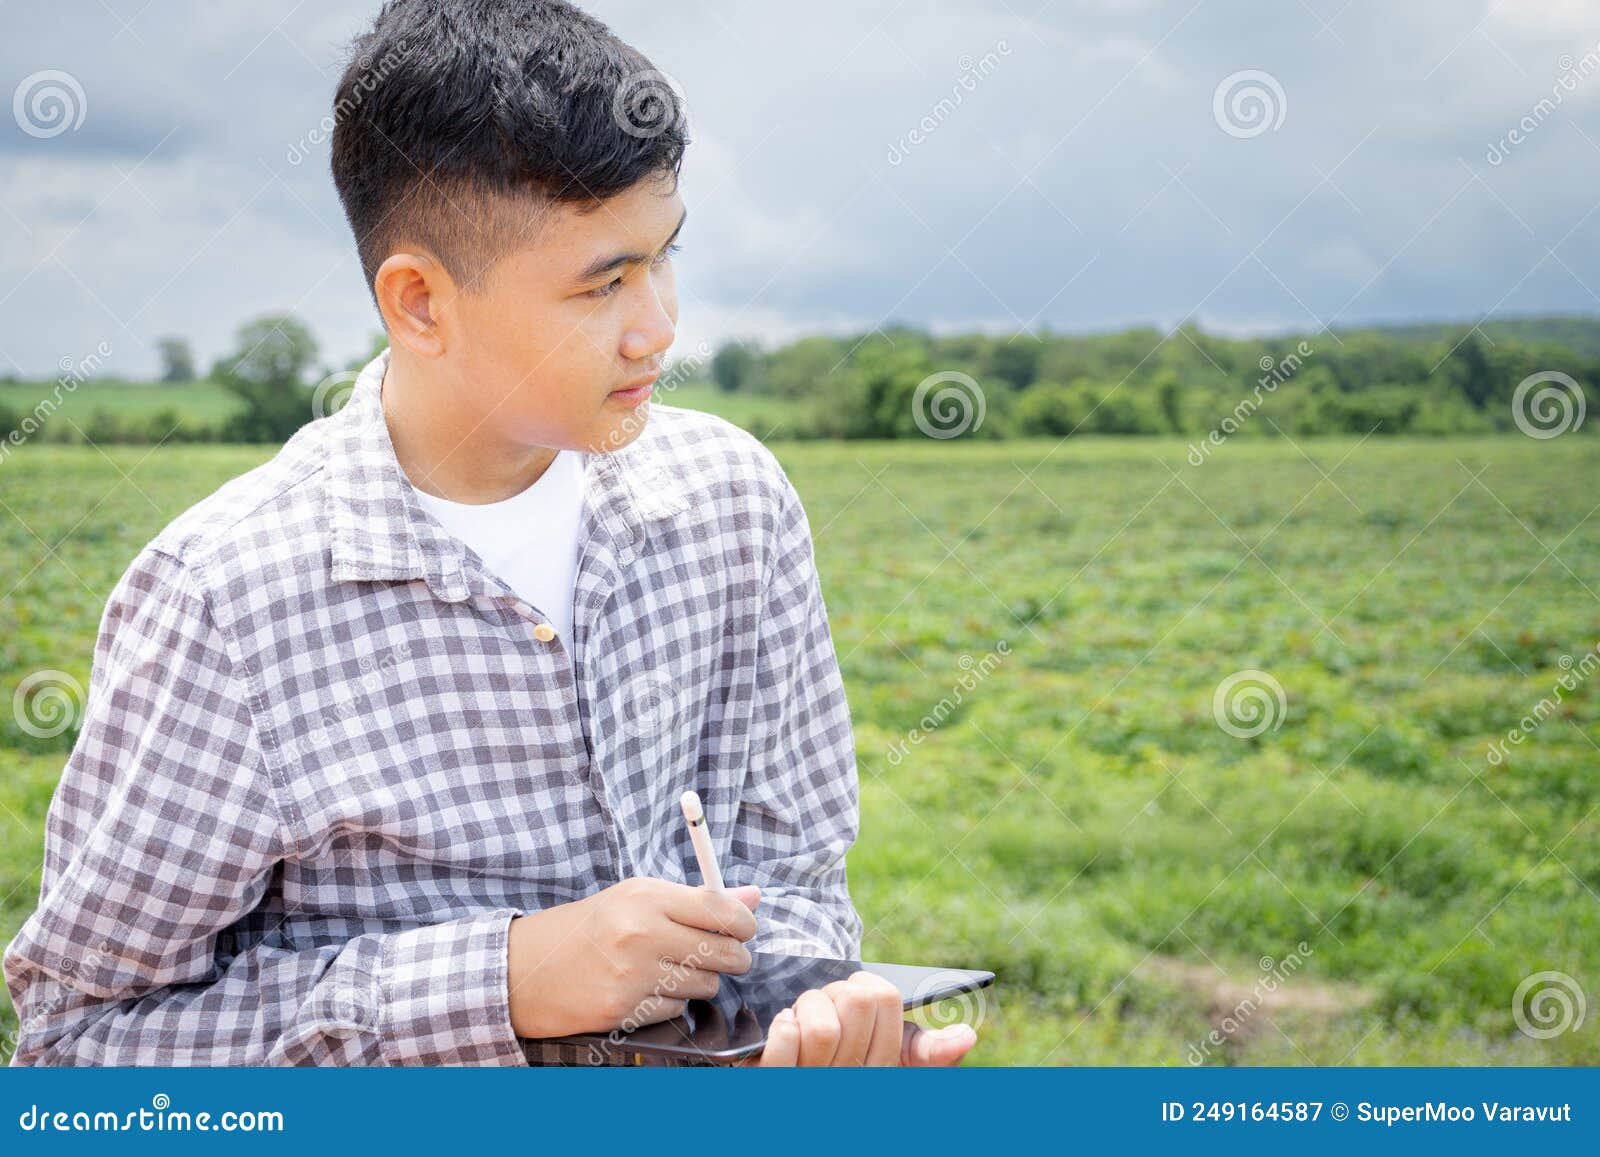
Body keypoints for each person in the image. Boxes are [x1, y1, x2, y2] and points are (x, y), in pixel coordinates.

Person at [2, 0, 977, 1068]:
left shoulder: (733, 504)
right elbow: (78, 1040)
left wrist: (803, 1025)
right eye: (603, 281)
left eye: (664, 257)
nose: (659, 324)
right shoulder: (227, 600)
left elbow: (796, 880)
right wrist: (507, 979)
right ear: (419, 302)